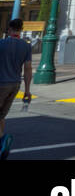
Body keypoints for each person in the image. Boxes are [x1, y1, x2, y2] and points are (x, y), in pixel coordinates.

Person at [1, 18, 34, 159]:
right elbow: (27, 69)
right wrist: (27, 91)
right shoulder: (26, 46)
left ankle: (3, 139)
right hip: (15, 85)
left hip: (1, 83)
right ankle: (2, 142)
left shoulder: (1, 44)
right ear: (20, 30)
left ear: (9, 29)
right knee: (1, 115)